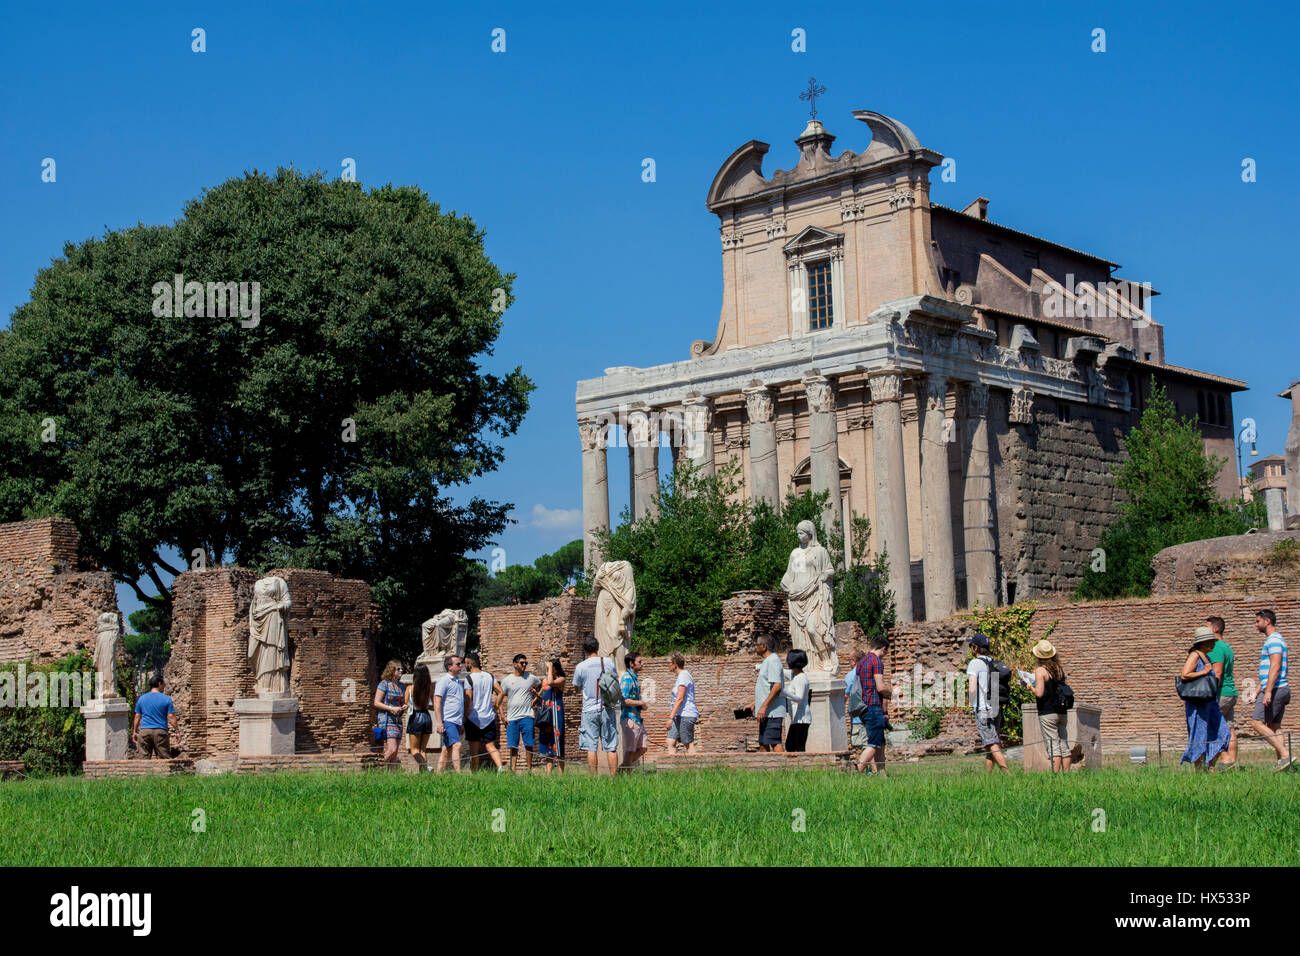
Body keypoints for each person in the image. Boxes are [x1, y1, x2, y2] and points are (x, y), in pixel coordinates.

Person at [1180, 626, 1230, 771]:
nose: (1214, 644)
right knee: (1199, 734)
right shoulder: (1195, 655)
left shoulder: (1205, 656)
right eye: (1211, 642)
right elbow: (1185, 675)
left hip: (1210, 703)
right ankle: (1200, 770)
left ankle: (1210, 765)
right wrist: (1204, 671)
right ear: (1203, 642)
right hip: (1198, 704)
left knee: (1222, 732)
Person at [1249, 609, 1292, 770]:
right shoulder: (1275, 639)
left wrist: (1267, 691)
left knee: (1256, 723)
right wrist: (1257, 690)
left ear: (1267, 621)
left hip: (1275, 689)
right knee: (1275, 726)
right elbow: (1269, 672)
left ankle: (1285, 754)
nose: (1256, 624)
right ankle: (1283, 762)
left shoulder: (1273, 640)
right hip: (1279, 688)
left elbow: (1275, 666)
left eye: (1258, 621)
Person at [573, 636, 619, 776]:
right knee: (611, 746)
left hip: (589, 710)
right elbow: (615, 681)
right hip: (607, 707)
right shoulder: (608, 663)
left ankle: (594, 779)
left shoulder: (581, 666)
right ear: (597, 647)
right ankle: (613, 779)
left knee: (591, 747)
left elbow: (576, 687)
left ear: (585, 650)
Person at [966, 633, 1009, 773]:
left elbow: (972, 687)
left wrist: (971, 702)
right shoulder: (992, 662)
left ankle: (1008, 774)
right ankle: (988, 777)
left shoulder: (974, 663)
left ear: (975, 647)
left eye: (971, 646)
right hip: (995, 706)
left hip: (983, 708)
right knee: (990, 742)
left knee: (991, 742)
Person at [854, 636, 896, 774]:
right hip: (873, 706)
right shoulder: (876, 661)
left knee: (880, 743)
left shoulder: (861, 662)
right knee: (874, 743)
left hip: (863, 707)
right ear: (883, 648)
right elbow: (880, 687)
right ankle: (856, 772)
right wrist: (893, 693)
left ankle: (883, 774)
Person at [1030, 640, 1071, 773]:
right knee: (1063, 743)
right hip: (1062, 711)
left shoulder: (1040, 670)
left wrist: (1030, 686)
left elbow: (1040, 693)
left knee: (1053, 745)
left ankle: (1055, 775)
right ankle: (1067, 773)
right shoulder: (1058, 669)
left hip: (1047, 712)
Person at [1206, 616, 1239, 771]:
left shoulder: (1217, 647)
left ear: (1215, 629)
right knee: (1229, 728)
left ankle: (1214, 764)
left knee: (1212, 727)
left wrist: (1210, 694)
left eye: (1207, 627)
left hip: (1221, 693)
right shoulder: (1227, 646)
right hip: (1230, 692)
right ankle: (1230, 762)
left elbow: (1217, 673)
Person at [462, 653, 505, 772]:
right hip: (489, 716)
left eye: (466, 662)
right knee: (490, 745)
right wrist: (496, 705)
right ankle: (500, 768)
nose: (465, 665)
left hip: (473, 718)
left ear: (470, 663)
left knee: (474, 749)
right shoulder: (489, 676)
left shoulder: (469, 679)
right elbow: (501, 692)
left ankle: (474, 772)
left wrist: (465, 716)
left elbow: (468, 698)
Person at [500, 653, 542, 774]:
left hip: (527, 715)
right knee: (513, 745)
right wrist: (502, 716)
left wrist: (536, 697)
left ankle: (529, 769)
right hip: (512, 717)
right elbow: (500, 699)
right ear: (515, 664)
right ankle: (513, 770)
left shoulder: (531, 678)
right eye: (522, 663)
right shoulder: (507, 680)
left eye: (526, 663)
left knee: (529, 743)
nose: (524, 665)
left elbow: (542, 686)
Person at [433, 655, 466, 774]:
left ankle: (438, 774)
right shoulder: (444, 681)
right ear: (449, 667)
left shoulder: (458, 682)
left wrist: (461, 722)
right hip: (448, 720)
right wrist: (439, 722)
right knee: (457, 745)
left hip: (456, 721)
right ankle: (458, 774)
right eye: (457, 664)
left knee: (446, 749)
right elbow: (437, 701)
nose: (460, 665)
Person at [132, 673, 177, 758]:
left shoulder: (142, 698)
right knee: (164, 758)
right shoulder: (166, 699)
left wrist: (135, 731)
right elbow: (171, 716)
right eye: (164, 684)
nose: (164, 687)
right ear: (159, 684)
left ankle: (143, 771)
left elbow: (137, 716)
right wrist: (177, 731)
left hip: (145, 731)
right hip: (160, 731)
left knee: (143, 758)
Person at [754, 636, 786, 753]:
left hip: (773, 712)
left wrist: (764, 706)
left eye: (757, 645)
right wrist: (755, 704)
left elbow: (777, 686)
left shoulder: (773, 660)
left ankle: (784, 768)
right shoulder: (767, 661)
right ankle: (766, 770)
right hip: (766, 712)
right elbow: (766, 688)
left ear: (764, 646)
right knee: (763, 743)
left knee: (774, 741)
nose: (755, 647)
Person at [664, 652, 699, 756]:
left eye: (669, 663)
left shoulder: (684, 675)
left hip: (686, 714)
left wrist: (670, 718)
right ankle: (671, 768)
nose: (668, 665)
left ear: (675, 663)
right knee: (670, 741)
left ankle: (695, 768)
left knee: (687, 743)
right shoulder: (680, 676)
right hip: (678, 715)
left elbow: (680, 698)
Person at [373, 660, 405, 764]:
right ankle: (377, 770)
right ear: (391, 671)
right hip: (387, 719)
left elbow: (401, 702)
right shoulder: (384, 684)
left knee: (395, 752)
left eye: (401, 668)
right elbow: (376, 703)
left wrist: (404, 707)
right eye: (398, 669)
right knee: (391, 749)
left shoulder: (401, 686)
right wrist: (392, 708)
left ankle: (390, 775)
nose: (401, 670)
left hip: (397, 720)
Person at [538, 659, 566, 776]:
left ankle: (561, 774)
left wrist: (550, 669)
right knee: (548, 742)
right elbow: (542, 694)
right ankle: (548, 773)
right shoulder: (545, 680)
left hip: (556, 713)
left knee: (558, 741)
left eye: (550, 667)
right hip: (547, 715)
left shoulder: (560, 679)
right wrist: (536, 696)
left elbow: (550, 682)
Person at [620, 651, 648, 767]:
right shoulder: (627, 678)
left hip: (637, 718)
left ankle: (622, 769)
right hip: (629, 718)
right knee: (630, 750)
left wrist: (640, 705)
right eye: (639, 661)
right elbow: (623, 700)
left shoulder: (634, 678)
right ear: (631, 664)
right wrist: (640, 702)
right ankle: (625, 775)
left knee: (642, 748)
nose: (642, 664)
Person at [406, 663, 433, 772]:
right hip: (426, 716)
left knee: (414, 750)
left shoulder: (410, 688)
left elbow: (407, 704)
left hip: (415, 717)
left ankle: (426, 768)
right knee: (422, 750)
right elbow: (432, 704)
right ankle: (424, 775)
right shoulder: (429, 688)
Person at [845, 649, 868, 752]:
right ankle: (871, 768)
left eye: (849, 660)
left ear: (854, 661)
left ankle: (863, 767)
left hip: (857, 716)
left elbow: (844, 695)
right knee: (870, 745)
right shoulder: (869, 672)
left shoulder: (851, 675)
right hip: (870, 714)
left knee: (860, 748)